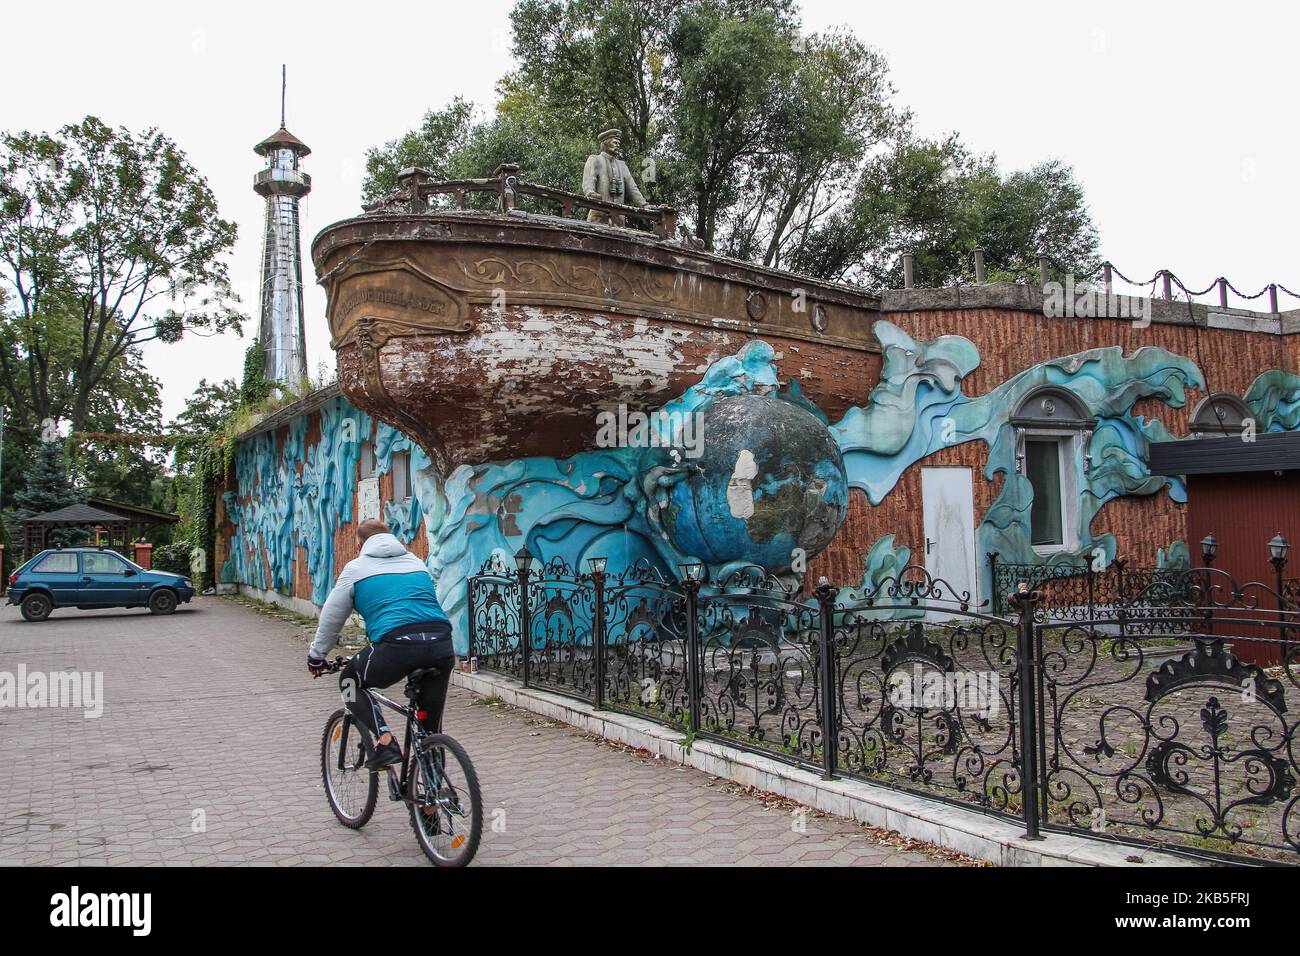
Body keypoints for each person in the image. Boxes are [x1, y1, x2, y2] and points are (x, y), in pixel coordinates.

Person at [308, 519, 455, 770]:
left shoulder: (355, 569)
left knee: (349, 681)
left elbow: (332, 618)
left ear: (359, 546)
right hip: (441, 644)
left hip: (397, 646)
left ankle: (385, 741)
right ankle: (433, 801)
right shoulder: (416, 563)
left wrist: (316, 656)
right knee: (429, 731)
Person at [581, 128, 648, 224]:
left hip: (618, 220)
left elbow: (633, 188)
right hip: (598, 217)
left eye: (618, 144)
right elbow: (589, 182)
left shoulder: (622, 165)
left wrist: (644, 205)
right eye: (615, 143)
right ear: (606, 143)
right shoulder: (595, 160)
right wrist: (590, 193)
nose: (618, 146)